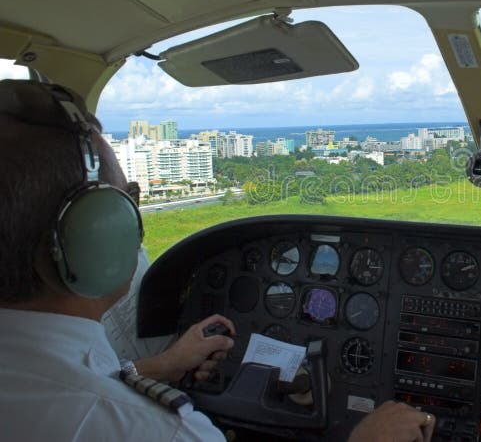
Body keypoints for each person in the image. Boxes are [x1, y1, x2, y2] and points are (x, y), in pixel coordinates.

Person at [0, 79, 435, 442]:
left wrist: (155, 368)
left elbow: (56, 380)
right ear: (94, 236)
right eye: (125, 200)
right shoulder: (157, 431)